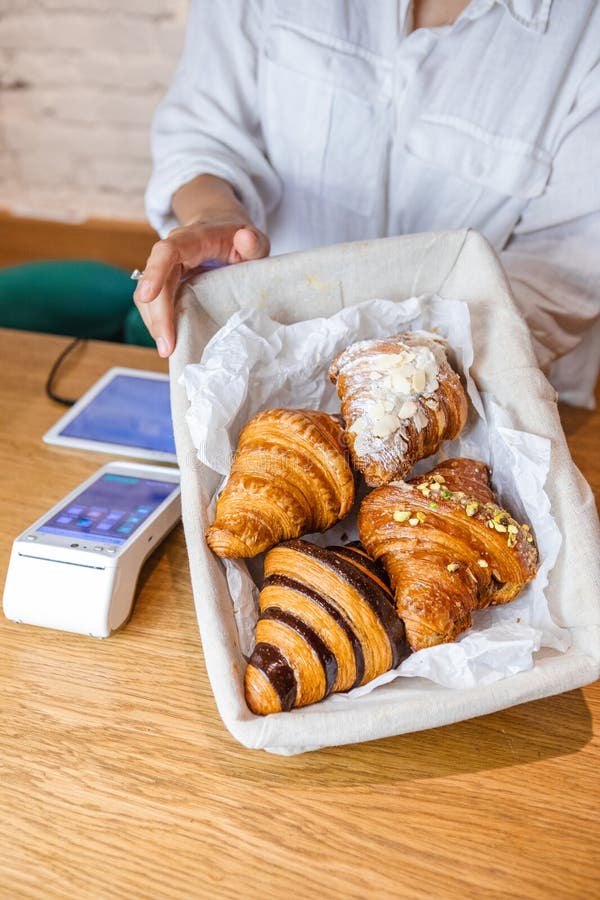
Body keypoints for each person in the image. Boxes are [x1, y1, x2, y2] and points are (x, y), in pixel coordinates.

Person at [136, 0, 600, 407]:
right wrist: (214, 213)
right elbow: (203, 127)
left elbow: (568, 267)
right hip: (265, 382)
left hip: (495, 397)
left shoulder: (585, 28)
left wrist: (404, 368)